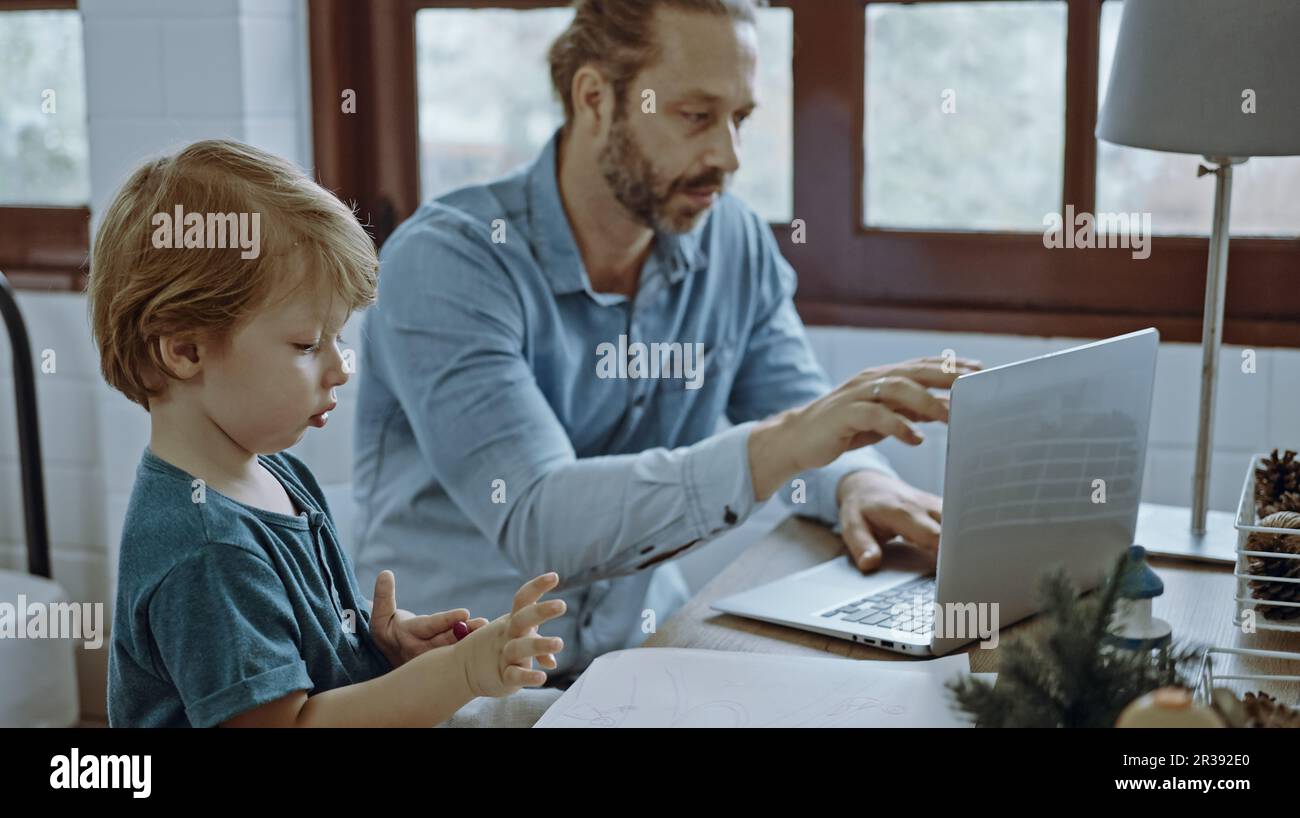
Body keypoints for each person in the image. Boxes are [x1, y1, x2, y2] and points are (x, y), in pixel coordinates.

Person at [353, 0, 978, 682]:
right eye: (695, 116)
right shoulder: (450, 261)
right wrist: (784, 443)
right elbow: (538, 518)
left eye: (740, 118)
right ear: (595, 97)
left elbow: (801, 405)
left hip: (640, 658)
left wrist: (858, 479)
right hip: (453, 687)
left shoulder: (731, 240)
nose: (729, 156)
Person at [93, 139, 565, 727]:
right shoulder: (208, 551)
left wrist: (374, 645)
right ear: (185, 350)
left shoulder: (273, 471)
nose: (342, 366)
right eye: (306, 344)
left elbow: (302, 648)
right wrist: (459, 673)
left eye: (338, 338)